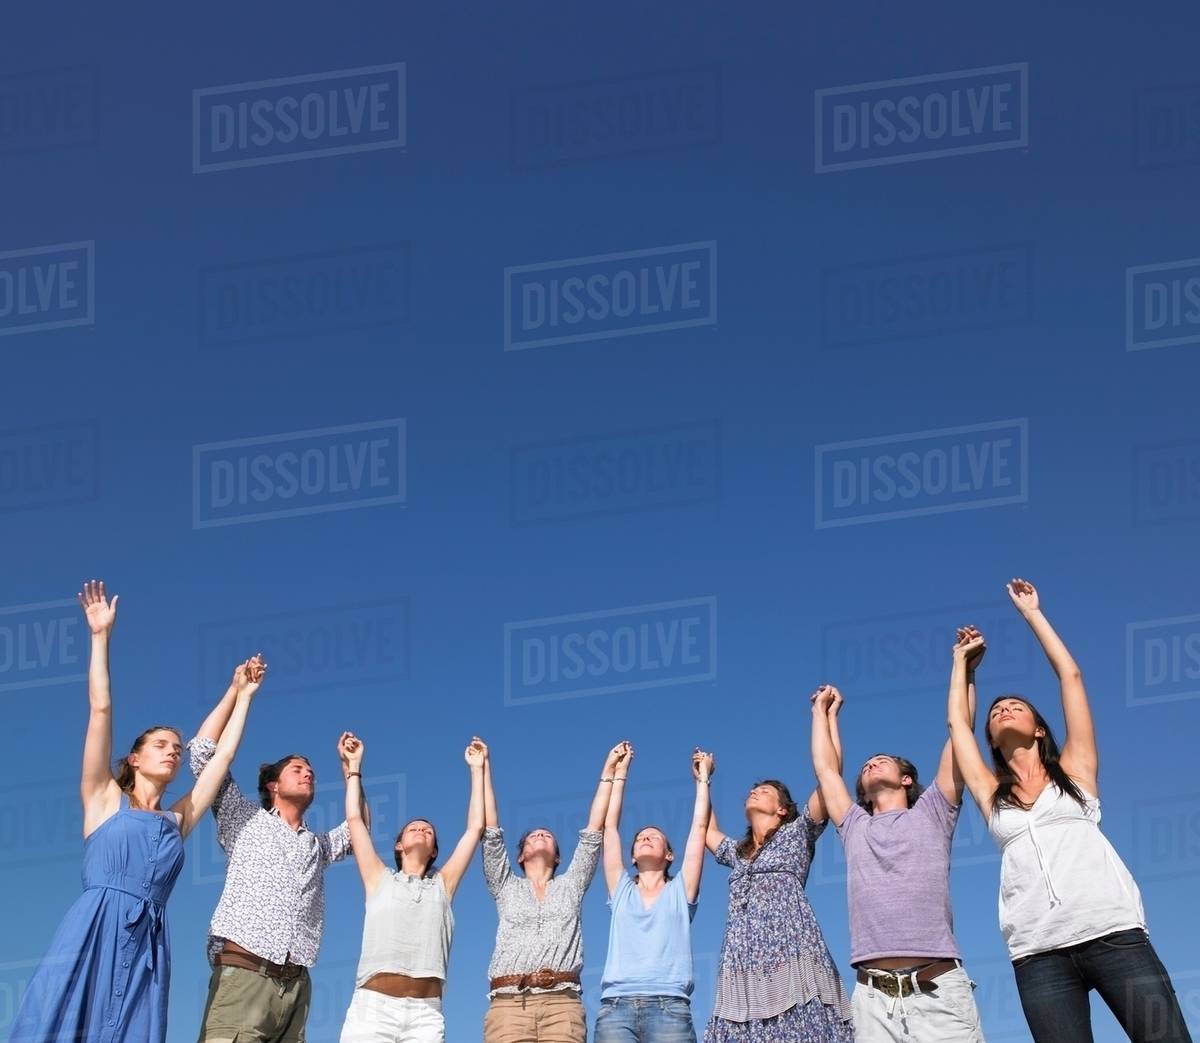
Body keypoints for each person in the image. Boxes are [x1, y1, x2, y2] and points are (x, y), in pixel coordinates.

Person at [11, 580, 264, 1043]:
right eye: (161, 746)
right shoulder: (102, 798)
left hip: (150, 945)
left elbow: (222, 759)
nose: (173, 753)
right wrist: (99, 637)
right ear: (135, 758)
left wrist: (241, 695)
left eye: (176, 748)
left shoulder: (177, 821)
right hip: (93, 931)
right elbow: (100, 708)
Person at [948, 578, 1193, 1043]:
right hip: (1039, 955)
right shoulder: (990, 795)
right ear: (992, 739)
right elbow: (957, 722)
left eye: (1015, 706)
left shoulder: (1076, 771)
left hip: (1114, 933)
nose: (1002, 710)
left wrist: (1032, 614)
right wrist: (962, 664)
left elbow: (1071, 678)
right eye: (996, 711)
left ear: (1039, 729)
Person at [812, 666, 986, 1041]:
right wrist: (822, 714)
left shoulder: (934, 811)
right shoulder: (855, 825)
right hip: (873, 999)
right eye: (865, 765)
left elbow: (960, 733)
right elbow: (826, 770)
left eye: (882, 759)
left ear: (907, 779)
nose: (870, 763)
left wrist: (966, 670)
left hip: (938, 991)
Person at [190, 672, 366, 1042]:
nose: (308, 774)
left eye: (312, 772)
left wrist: (352, 770)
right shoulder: (243, 816)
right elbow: (203, 752)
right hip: (244, 975)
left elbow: (357, 831)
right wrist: (239, 693)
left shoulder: (316, 845)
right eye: (297, 770)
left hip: (296, 986)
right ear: (272, 785)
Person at [703, 698, 854, 1043]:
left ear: (783, 809)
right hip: (742, 956)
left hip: (791, 947)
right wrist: (704, 782)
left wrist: (826, 717)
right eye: (753, 789)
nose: (754, 791)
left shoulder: (797, 833)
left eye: (765, 790)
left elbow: (830, 777)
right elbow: (707, 832)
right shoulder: (739, 853)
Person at [336, 731, 488, 1043]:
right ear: (398, 845)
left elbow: (475, 828)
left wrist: (477, 768)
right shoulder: (379, 877)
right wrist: (353, 767)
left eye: (428, 830)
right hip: (373, 1010)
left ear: (434, 851)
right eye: (413, 828)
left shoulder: (442, 885)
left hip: (425, 1015)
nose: (421, 829)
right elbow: (355, 820)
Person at [481, 741, 628, 1043]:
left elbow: (592, 834)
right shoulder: (505, 884)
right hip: (509, 1003)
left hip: (563, 1003)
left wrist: (609, 770)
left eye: (547, 835)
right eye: (532, 836)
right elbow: (491, 832)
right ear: (519, 856)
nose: (540, 835)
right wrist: (483, 768)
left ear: (558, 857)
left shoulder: (570, 885)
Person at [595, 744, 714, 1042]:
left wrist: (703, 781)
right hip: (616, 1009)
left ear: (670, 855)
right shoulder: (621, 889)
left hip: (670, 1008)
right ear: (632, 856)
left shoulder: (681, 890)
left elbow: (699, 829)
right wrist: (620, 774)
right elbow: (609, 828)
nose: (645, 838)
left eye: (654, 836)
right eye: (640, 838)